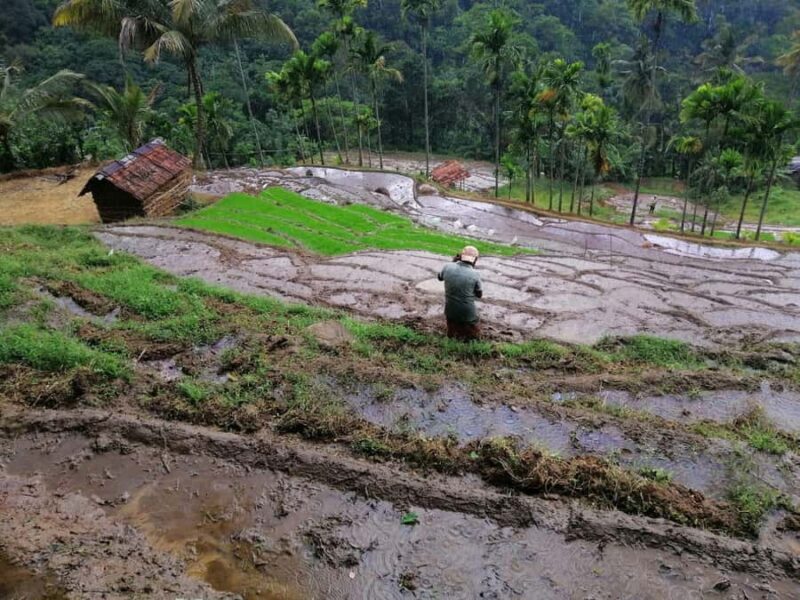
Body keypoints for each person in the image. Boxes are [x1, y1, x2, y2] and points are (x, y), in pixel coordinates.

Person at [438, 246, 483, 341]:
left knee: (452, 331)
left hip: (449, 311)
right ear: (475, 260)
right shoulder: (475, 274)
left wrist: (453, 262)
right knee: (474, 332)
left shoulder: (447, 266)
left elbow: (440, 277)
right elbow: (479, 295)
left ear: (460, 256)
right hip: (468, 314)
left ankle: (451, 338)